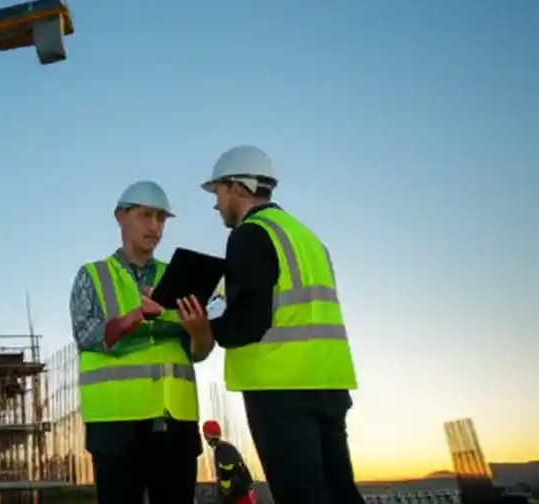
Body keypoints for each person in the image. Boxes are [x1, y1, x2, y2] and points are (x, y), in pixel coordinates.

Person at [193, 145, 364, 504]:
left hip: (280, 389)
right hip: (329, 382)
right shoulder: (304, 236)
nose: (216, 204)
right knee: (340, 493)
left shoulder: (250, 234)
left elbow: (249, 323)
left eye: (219, 192)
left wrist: (203, 327)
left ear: (238, 188)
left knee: (301, 496)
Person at [69, 180, 215, 504]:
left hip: (175, 424)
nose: (155, 226)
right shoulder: (93, 275)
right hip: (115, 425)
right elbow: (86, 335)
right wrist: (134, 316)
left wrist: (201, 330)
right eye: (146, 215)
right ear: (120, 216)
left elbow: (200, 352)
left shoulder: (178, 275)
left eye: (161, 218)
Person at [203, 419, 255, 504]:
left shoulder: (222, 451)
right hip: (242, 493)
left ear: (206, 436)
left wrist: (223, 496)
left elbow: (227, 482)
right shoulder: (227, 448)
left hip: (238, 497)